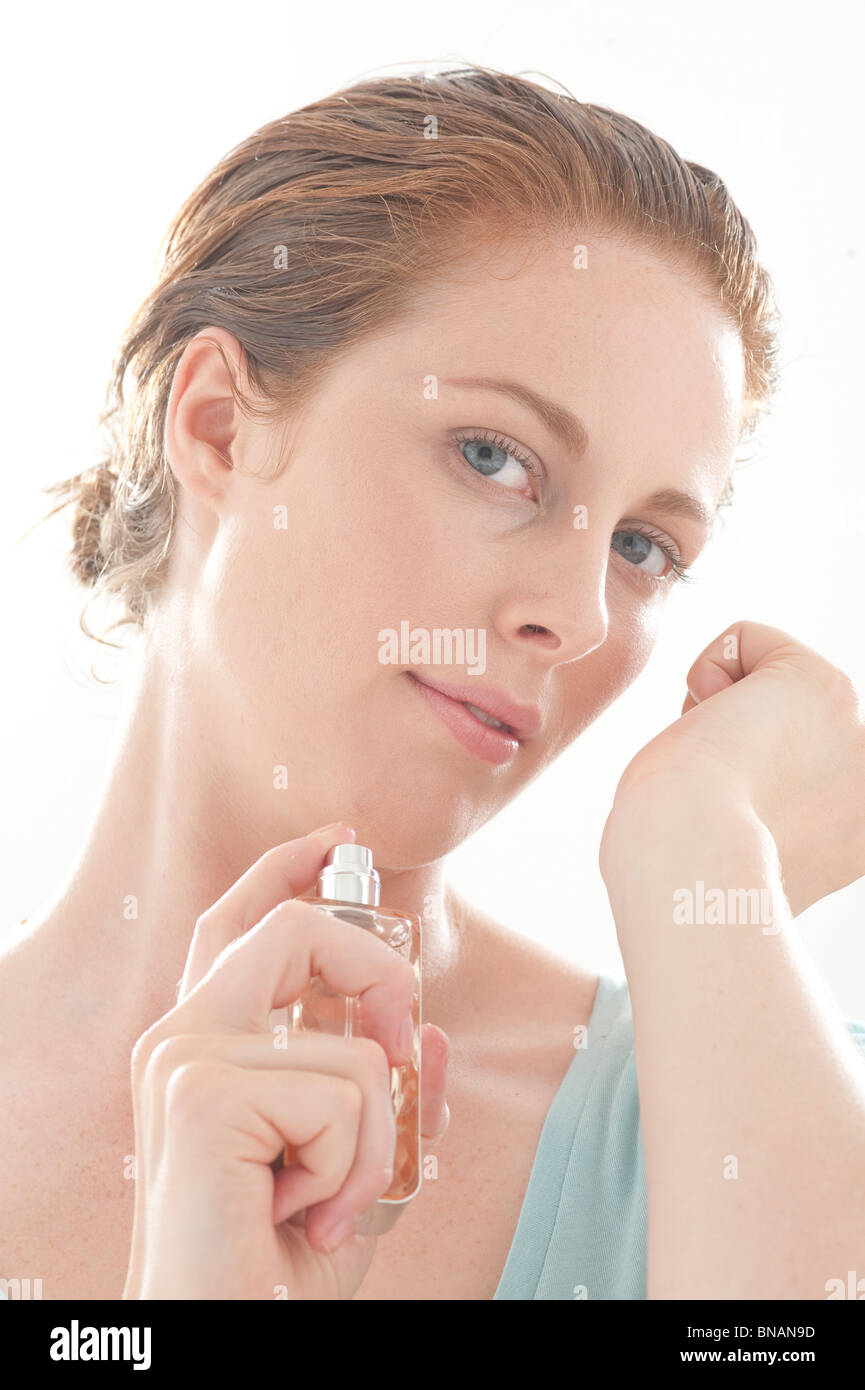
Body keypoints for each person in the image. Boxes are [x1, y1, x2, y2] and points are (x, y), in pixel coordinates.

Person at [2, 64, 864, 1302]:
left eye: (641, 548)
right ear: (218, 427)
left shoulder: (763, 1121)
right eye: (494, 457)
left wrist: (703, 858)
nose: (572, 619)